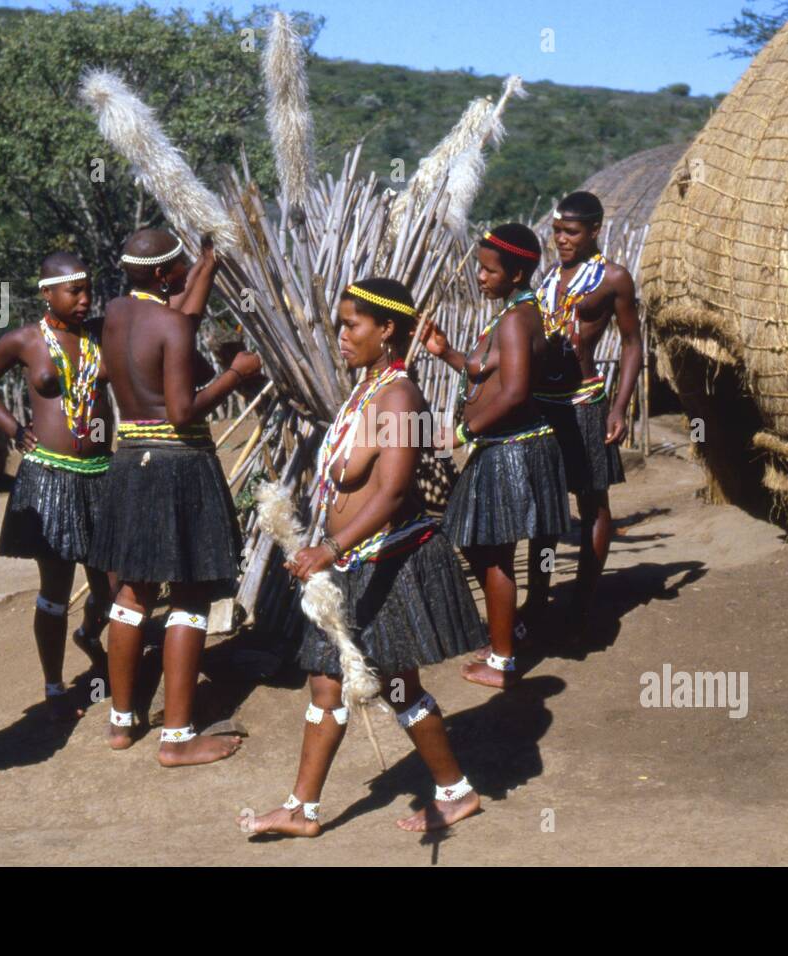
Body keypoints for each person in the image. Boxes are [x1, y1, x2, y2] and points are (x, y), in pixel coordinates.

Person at [243, 277, 484, 837]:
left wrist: (329, 548)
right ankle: (303, 809)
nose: (343, 337)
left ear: (388, 330)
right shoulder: (367, 391)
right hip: (351, 563)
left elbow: (393, 492)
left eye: (353, 326)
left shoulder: (399, 397)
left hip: (383, 564)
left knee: (398, 684)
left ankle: (456, 792)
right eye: (341, 327)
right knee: (330, 683)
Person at [88, 228, 260, 765]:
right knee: (189, 595)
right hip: (178, 465)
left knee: (134, 592)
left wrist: (208, 262)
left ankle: (121, 723)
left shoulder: (117, 313)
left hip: (130, 462)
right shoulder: (172, 326)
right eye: (182, 266)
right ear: (164, 275)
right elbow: (184, 410)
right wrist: (236, 373)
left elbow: (176, 316)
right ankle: (178, 738)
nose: (188, 272)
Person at [0, 253, 115, 720]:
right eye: (75, 291)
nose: (85, 299)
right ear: (47, 292)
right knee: (55, 586)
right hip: (49, 475)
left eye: (89, 290)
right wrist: (13, 429)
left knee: (113, 585)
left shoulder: (99, 336)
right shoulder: (25, 341)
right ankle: (54, 687)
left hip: (99, 473)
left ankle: (91, 636)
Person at [422, 224, 571, 689]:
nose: (480, 278)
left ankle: (503, 661)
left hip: (512, 450)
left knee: (495, 555)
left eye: (489, 271)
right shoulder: (514, 313)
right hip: (503, 447)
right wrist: (445, 352)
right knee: (478, 544)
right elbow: (484, 368)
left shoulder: (514, 318)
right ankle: (509, 630)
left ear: (517, 271)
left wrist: (463, 431)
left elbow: (513, 391)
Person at [525, 191, 641, 632]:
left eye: (571, 232)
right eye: (556, 231)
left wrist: (619, 406)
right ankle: (536, 600)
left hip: (585, 403)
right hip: (543, 406)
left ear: (594, 230)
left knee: (592, 501)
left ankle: (582, 603)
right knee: (543, 509)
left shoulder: (613, 279)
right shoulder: (551, 278)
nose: (561, 239)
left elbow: (632, 344)